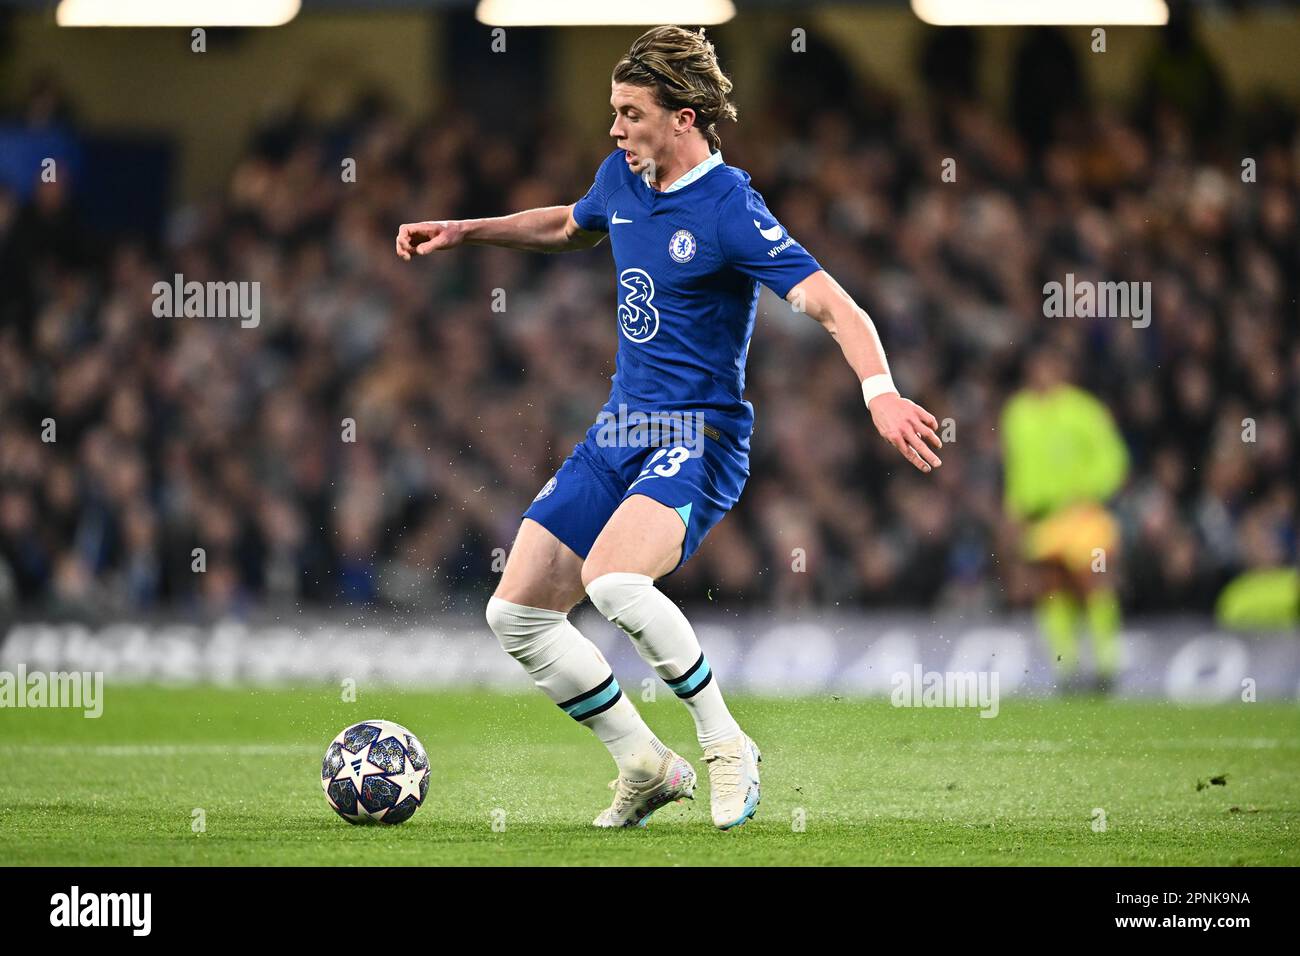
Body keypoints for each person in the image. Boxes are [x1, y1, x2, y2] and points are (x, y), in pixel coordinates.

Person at [396, 25, 942, 829]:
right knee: (514, 615)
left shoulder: (731, 209)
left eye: (630, 113)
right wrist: (468, 230)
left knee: (614, 583)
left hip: (700, 436)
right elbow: (570, 225)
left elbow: (835, 305)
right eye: (613, 112)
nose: (614, 129)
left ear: (682, 118)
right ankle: (644, 765)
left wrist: (881, 394)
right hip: (619, 432)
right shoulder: (622, 177)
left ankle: (726, 744)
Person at [1000, 342, 1129, 693]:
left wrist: (1088, 491)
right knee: (1052, 588)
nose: (1043, 372)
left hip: (1082, 513)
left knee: (1092, 580)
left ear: (1063, 369)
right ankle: (1068, 668)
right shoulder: (1017, 413)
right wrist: (1013, 511)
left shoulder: (1084, 410)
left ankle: (1107, 664)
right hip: (1041, 518)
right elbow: (1016, 468)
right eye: (1037, 365)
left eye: (1050, 364)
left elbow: (1114, 461)